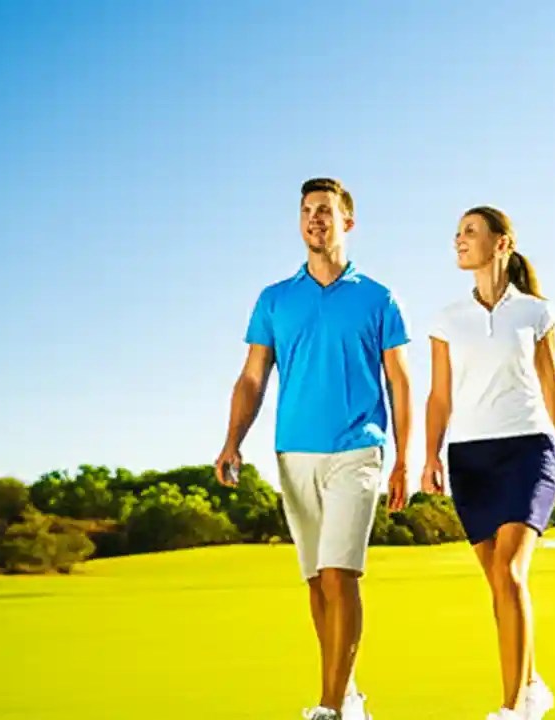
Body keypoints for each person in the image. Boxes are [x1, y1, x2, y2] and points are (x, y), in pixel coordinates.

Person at [215, 178, 412, 720]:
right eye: (306, 211)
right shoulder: (275, 299)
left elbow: (399, 381)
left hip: (358, 449)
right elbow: (253, 377)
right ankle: (348, 697)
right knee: (316, 584)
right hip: (292, 453)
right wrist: (232, 441)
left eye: (325, 211)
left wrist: (403, 458)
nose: (314, 220)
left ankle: (328, 706)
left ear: (348, 222)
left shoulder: (378, 297)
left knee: (339, 574)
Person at [421, 206, 555, 720]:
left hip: (527, 451)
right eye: (457, 233)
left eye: (470, 231)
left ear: (502, 243)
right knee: (498, 585)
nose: (459, 240)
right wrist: (429, 454)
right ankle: (533, 684)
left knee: (510, 571)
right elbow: (438, 396)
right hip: (469, 459)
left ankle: (512, 709)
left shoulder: (536, 312)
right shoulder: (446, 320)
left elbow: (553, 388)